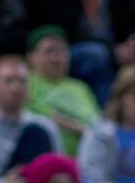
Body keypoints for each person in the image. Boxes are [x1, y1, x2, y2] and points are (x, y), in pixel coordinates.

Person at [25, 25, 101, 158]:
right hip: (45, 159)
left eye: (62, 52)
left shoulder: (80, 87)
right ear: (31, 57)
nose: (56, 58)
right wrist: (79, 128)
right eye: (49, 52)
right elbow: (40, 116)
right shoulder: (26, 83)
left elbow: (96, 122)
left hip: (86, 160)